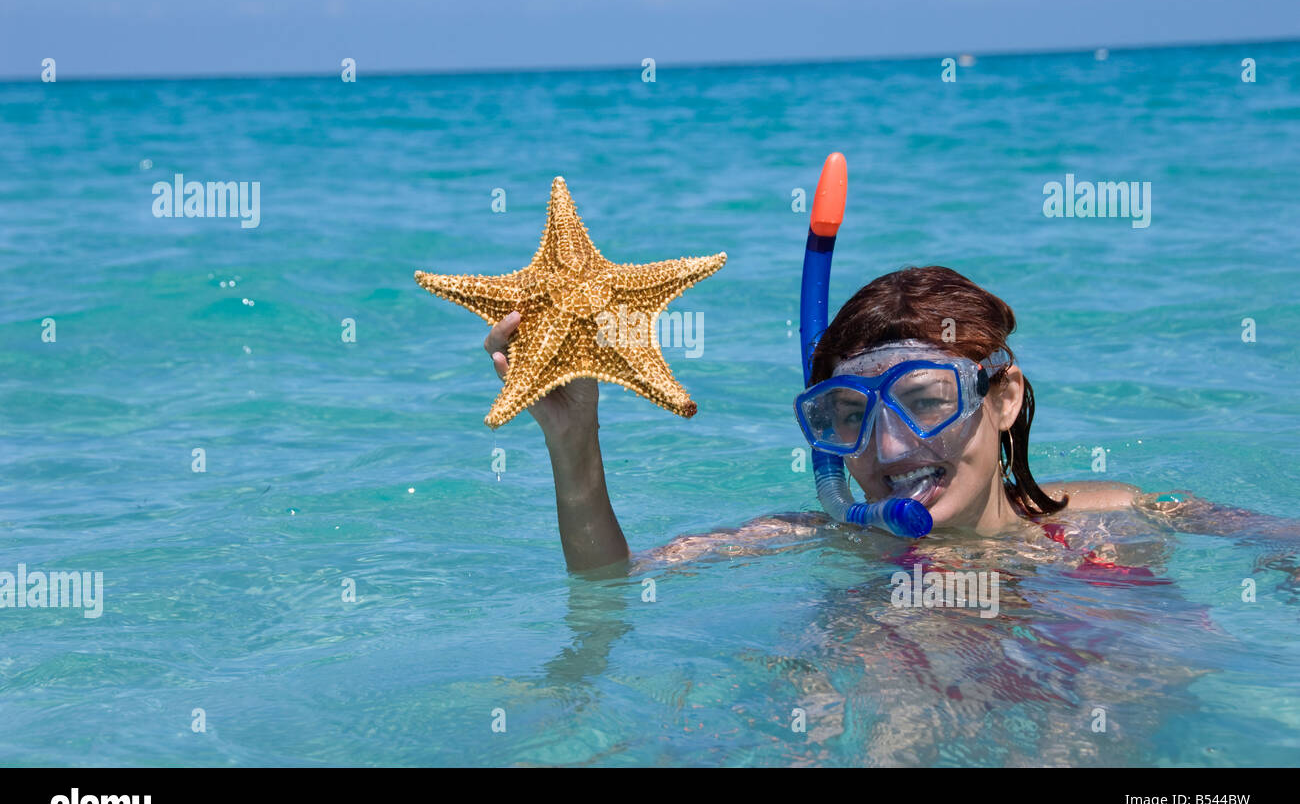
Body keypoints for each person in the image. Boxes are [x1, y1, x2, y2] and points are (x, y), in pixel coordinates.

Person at [484, 265, 1296, 574]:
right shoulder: (819, 538)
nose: (889, 446)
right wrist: (573, 440)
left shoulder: (1116, 517)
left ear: (1002, 398)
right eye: (847, 414)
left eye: (926, 399)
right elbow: (608, 586)